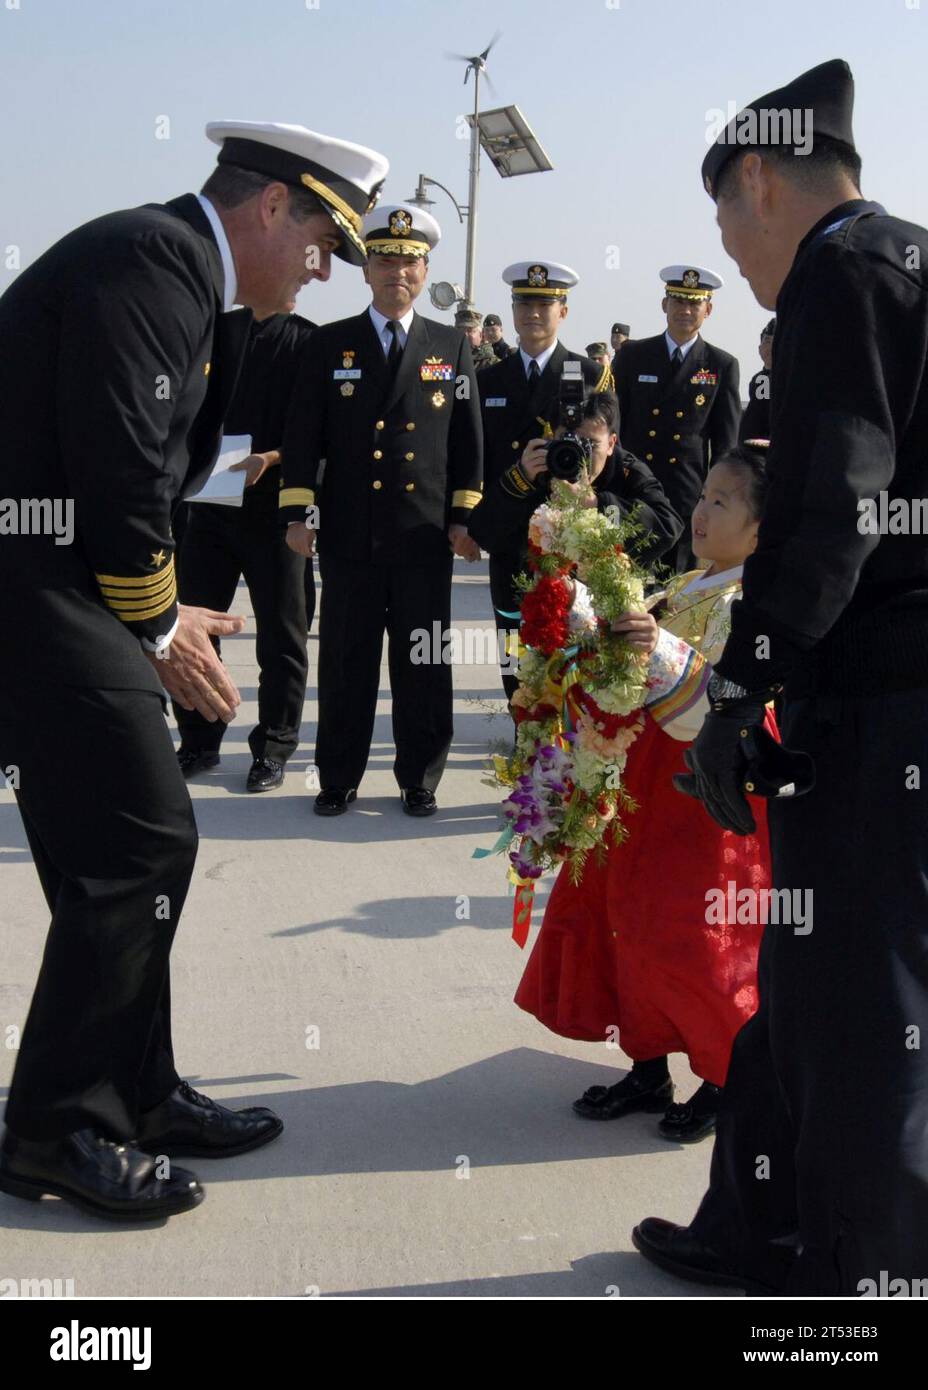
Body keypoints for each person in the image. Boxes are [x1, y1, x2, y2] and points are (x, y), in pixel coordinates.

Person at [0, 120, 389, 1221]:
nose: (320, 272)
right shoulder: (152, 260)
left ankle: (134, 1088)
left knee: (108, 852)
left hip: (56, 579)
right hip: (36, 579)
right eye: (319, 243)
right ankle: (56, 1126)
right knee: (143, 842)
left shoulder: (188, 286)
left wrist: (165, 608)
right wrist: (162, 624)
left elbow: (156, 471)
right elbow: (119, 468)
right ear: (271, 207)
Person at [633, 57, 928, 1297]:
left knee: (869, 1012)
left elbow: (835, 511)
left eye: (722, 223)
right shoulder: (906, 260)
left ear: (758, 178)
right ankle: (764, 1226)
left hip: (879, 705)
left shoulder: (841, 273)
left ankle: (867, 1277)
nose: (734, 258)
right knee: (808, 982)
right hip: (869, 703)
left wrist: (744, 687)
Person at [515, 447, 773, 1143]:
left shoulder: (749, 605)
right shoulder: (687, 586)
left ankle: (725, 1078)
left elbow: (726, 706)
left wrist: (655, 649)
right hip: (637, 791)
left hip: (698, 805)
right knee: (622, 920)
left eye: (723, 502)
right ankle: (647, 1062)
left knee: (695, 939)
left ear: (760, 530)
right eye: (704, 495)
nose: (702, 510)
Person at [281, 203, 483, 818]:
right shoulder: (329, 342)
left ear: (425, 271)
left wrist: (463, 516)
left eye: (410, 260)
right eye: (386, 259)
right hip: (350, 533)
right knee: (347, 659)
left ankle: (419, 777)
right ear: (365, 269)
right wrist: (298, 513)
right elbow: (303, 435)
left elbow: (467, 441)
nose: (398, 270)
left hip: (422, 534)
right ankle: (338, 775)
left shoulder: (450, 345)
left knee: (422, 659)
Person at [173, 308, 316, 792]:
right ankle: (198, 739)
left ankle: (274, 748)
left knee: (281, 635)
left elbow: (317, 431)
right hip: (208, 505)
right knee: (193, 630)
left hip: (277, 511)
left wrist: (272, 458)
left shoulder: (307, 342)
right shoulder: (214, 331)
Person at [477, 261, 614, 701]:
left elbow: (610, 453)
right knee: (512, 645)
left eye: (544, 303)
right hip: (510, 530)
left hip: (571, 533)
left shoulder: (590, 374)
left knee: (573, 639)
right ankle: (523, 728)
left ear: (564, 312)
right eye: (523, 303)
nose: (533, 313)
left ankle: (567, 743)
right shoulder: (487, 380)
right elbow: (473, 459)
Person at [467, 390, 682, 607]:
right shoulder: (538, 468)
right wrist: (520, 479)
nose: (578, 454)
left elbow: (669, 527)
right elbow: (483, 534)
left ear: (611, 444)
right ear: (551, 438)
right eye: (569, 441)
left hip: (608, 611)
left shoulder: (626, 471)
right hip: (533, 610)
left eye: (590, 444)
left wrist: (598, 504)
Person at [614, 267, 741, 571]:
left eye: (694, 304)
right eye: (678, 302)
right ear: (664, 305)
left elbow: (725, 442)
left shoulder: (720, 364)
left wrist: (718, 498)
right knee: (626, 584)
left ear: (707, 310)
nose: (685, 310)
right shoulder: (634, 356)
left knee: (676, 593)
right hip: (635, 490)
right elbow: (614, 425)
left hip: (685, 496)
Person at [739, 317, 775, 442]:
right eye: (767, 341)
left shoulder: (791, 379)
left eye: (776, 342)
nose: (770, 348)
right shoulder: (759, 379)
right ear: (759, 348)